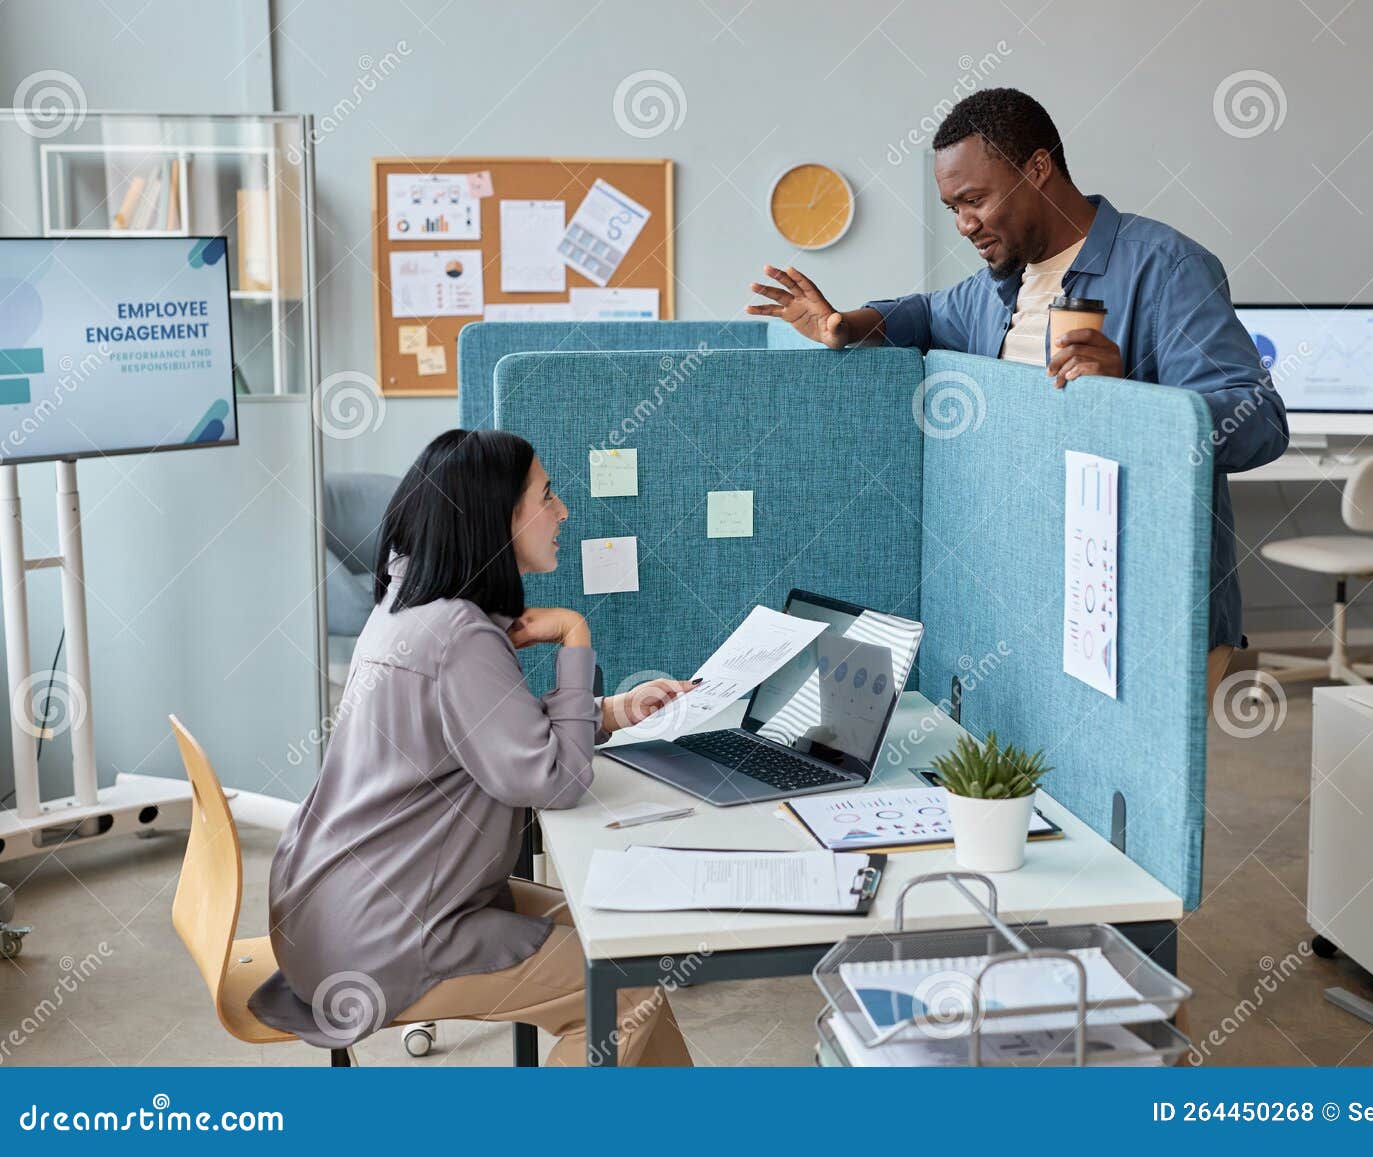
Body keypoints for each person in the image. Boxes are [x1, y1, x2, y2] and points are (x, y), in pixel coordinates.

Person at [747, 88, 1289, 699]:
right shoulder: (997, 288)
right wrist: (846, 326)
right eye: (952, 207)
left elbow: (1259, 418)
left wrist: (1130, 401)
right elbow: (923, 314)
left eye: (974, 200)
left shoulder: (1165, 266)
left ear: (1037, 169)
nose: (964, 224)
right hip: (1035, 602)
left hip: (1138, 612)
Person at [249, 429, 695, 1065]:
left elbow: (490, 735)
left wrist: (613, 712)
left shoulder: (411, 606)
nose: (563, 511)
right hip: (388, 936)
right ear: (497, 516)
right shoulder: (459, 634)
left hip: (337, 914)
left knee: (627, 949)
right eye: (548, 495)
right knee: (629, 991)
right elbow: (557, 781)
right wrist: (574, 635)